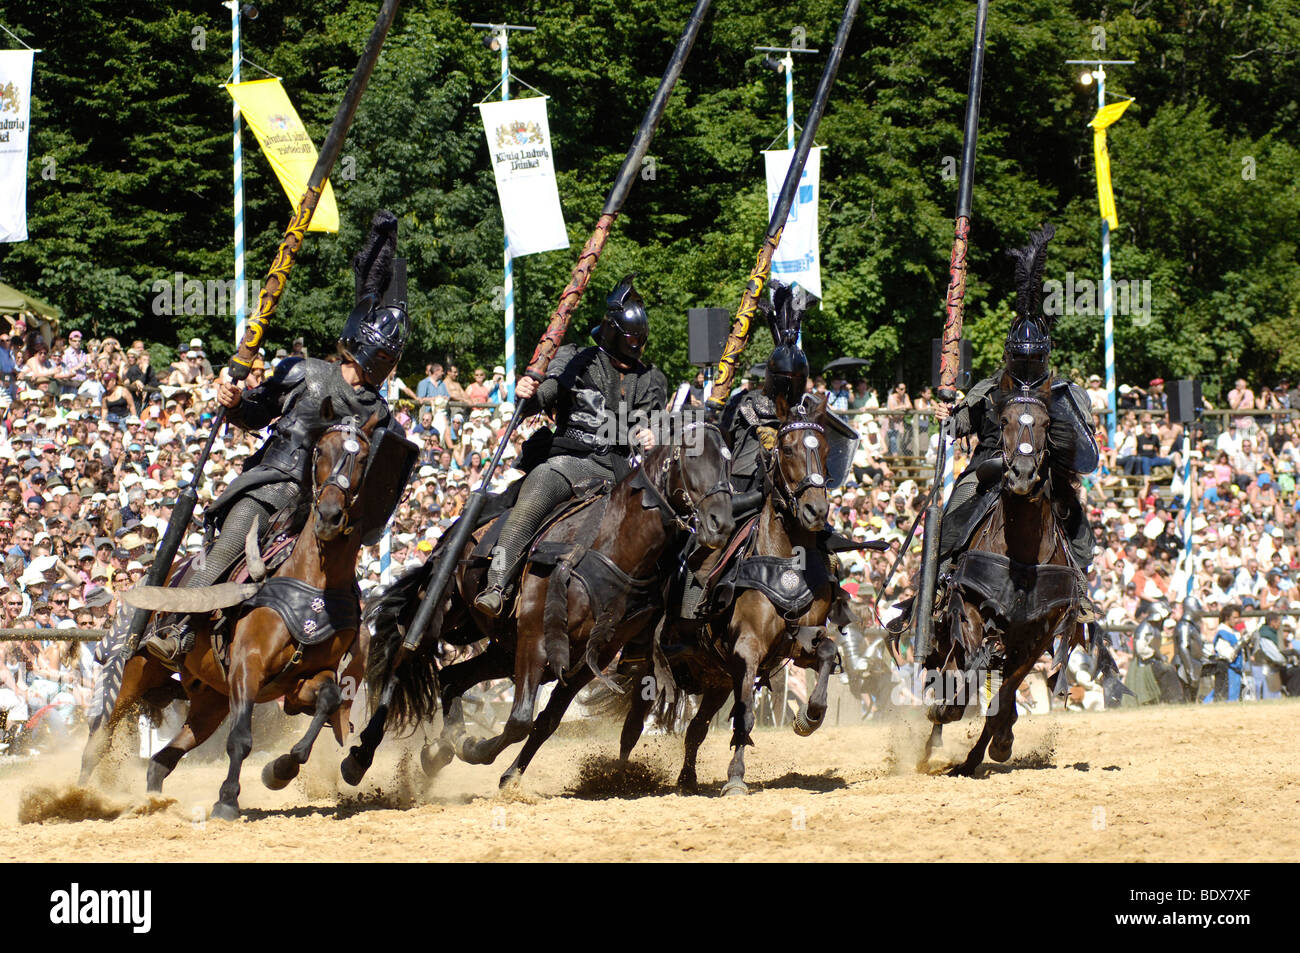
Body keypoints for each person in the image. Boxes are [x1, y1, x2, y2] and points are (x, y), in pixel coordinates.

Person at [144, 210, 410, 662]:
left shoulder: (382, 414)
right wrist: (233, 402)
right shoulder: (306, 374)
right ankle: (178, 629)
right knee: (229, 546)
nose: (383, 369)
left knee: (347, 599)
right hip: (273, 486)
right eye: (381, 358)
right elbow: (255, 414)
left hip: (327, 513)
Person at [928, 225, 1099, 610]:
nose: (1026, 364)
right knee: (953, 514)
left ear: (1044, 356)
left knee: (1081, 532)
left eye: (1032, 358)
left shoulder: (1065, 391)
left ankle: (1078, 593)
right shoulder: (989, 388)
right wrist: (945, 413)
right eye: (1020, 357)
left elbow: (1083, 443)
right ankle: (936, 586)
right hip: (990, 467)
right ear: (1008, 356)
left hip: (1046, 474)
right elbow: (959, 425)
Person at [474, 275, 666, 617]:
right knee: (535, 493)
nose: (638, 345)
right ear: (615, 335)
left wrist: (655, 432)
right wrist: (528, 394)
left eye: (641, 338)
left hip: (624, 471)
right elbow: (547, 393)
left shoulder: (651, 378)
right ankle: (498, 579)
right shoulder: (578, 359)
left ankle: (653, 619)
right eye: (632, 338)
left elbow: (657, 421)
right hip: (572, 461)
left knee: (670, 526)